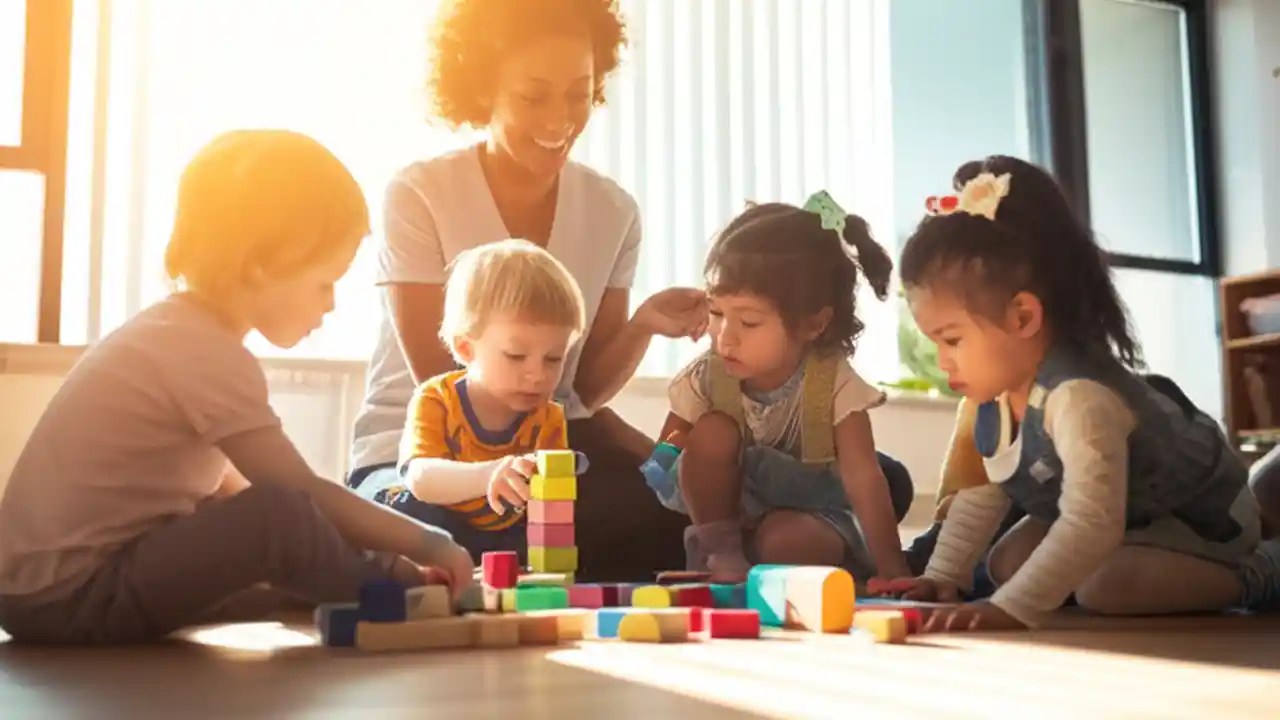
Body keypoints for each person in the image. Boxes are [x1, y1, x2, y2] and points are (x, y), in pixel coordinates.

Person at [0, 131, 473, 644]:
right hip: (70, 596)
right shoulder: (203, 351)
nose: (331, 304)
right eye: (324, 282)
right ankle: (398, 598)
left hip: (44, 594)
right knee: (278, 516)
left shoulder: (175, 333)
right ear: (261, 265)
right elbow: (295, 494)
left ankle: (376, 584)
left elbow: (234, 488)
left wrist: (378, 553)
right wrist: (428, 542)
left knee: (265, 523)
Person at [348, 0, 706, 579]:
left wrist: (640, 325)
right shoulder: (420, 193)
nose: (560, 118)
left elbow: (579, 390)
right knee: (424, 528)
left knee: (671, 520)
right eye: (532, 96)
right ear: (483, 86)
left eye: (577, 93)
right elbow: (437, 372)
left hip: (542, 460)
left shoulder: (613, 211)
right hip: (420, 457)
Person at [892, 155, 1280, 631]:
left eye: (952, 340)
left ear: (1023, 318)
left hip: (1199, 520)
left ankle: (1263, 572)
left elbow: (1091, 522)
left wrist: (1008, 608)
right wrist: (941, 576)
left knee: (1108, 587)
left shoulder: (1079, 396)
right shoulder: (995, 396)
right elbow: (984, 494)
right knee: (1006, 565)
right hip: (1123, 516)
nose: (942, 360)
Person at [646, 193, 915, 583]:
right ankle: (721, 556)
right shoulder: (708, 375)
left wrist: (894, 569)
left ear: (813, 324)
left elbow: (863, 476)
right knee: (713, 430)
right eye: (717, 312)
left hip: (811, 513)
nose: (725, 337)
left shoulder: (832, 379)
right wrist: (663, 463)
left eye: (749, 322)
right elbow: (667, 449)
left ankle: (759, 564)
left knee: (785, 543)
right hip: (726, 518)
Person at [374, 239, 585, 562]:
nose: (537, 375)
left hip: (497, 530)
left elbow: (550, 504)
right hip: (436, 516)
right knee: (410, 515)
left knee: (543, 535)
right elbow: (421, 477)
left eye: (554, 358)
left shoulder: (548, 417)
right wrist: (489, 474)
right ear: (465, 349)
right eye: (516, 356)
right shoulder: (437, 398)